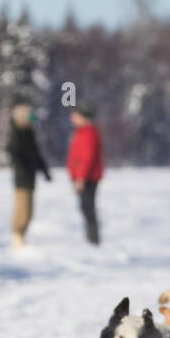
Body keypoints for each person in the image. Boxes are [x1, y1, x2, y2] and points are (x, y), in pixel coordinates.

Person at [6, 100, 51, 248]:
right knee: (22, 210)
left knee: (30, 212)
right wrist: (21, 165)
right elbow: (13, 153)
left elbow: (36, 154)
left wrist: (45, 171)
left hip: (31, 177)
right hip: (21, 178)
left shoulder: (30, 133)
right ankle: (17, 237)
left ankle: (22, 236)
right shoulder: (16, 133)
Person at [66, 103, 104, 244]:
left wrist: (81, 177)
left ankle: (93, 240)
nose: (72, 118)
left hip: (87, 178)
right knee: (86, 208)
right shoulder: (83, 132)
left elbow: (87, 157)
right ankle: (91, 238)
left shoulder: (88, 133)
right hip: (84, 177)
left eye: (75, 115)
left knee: (88, 208)